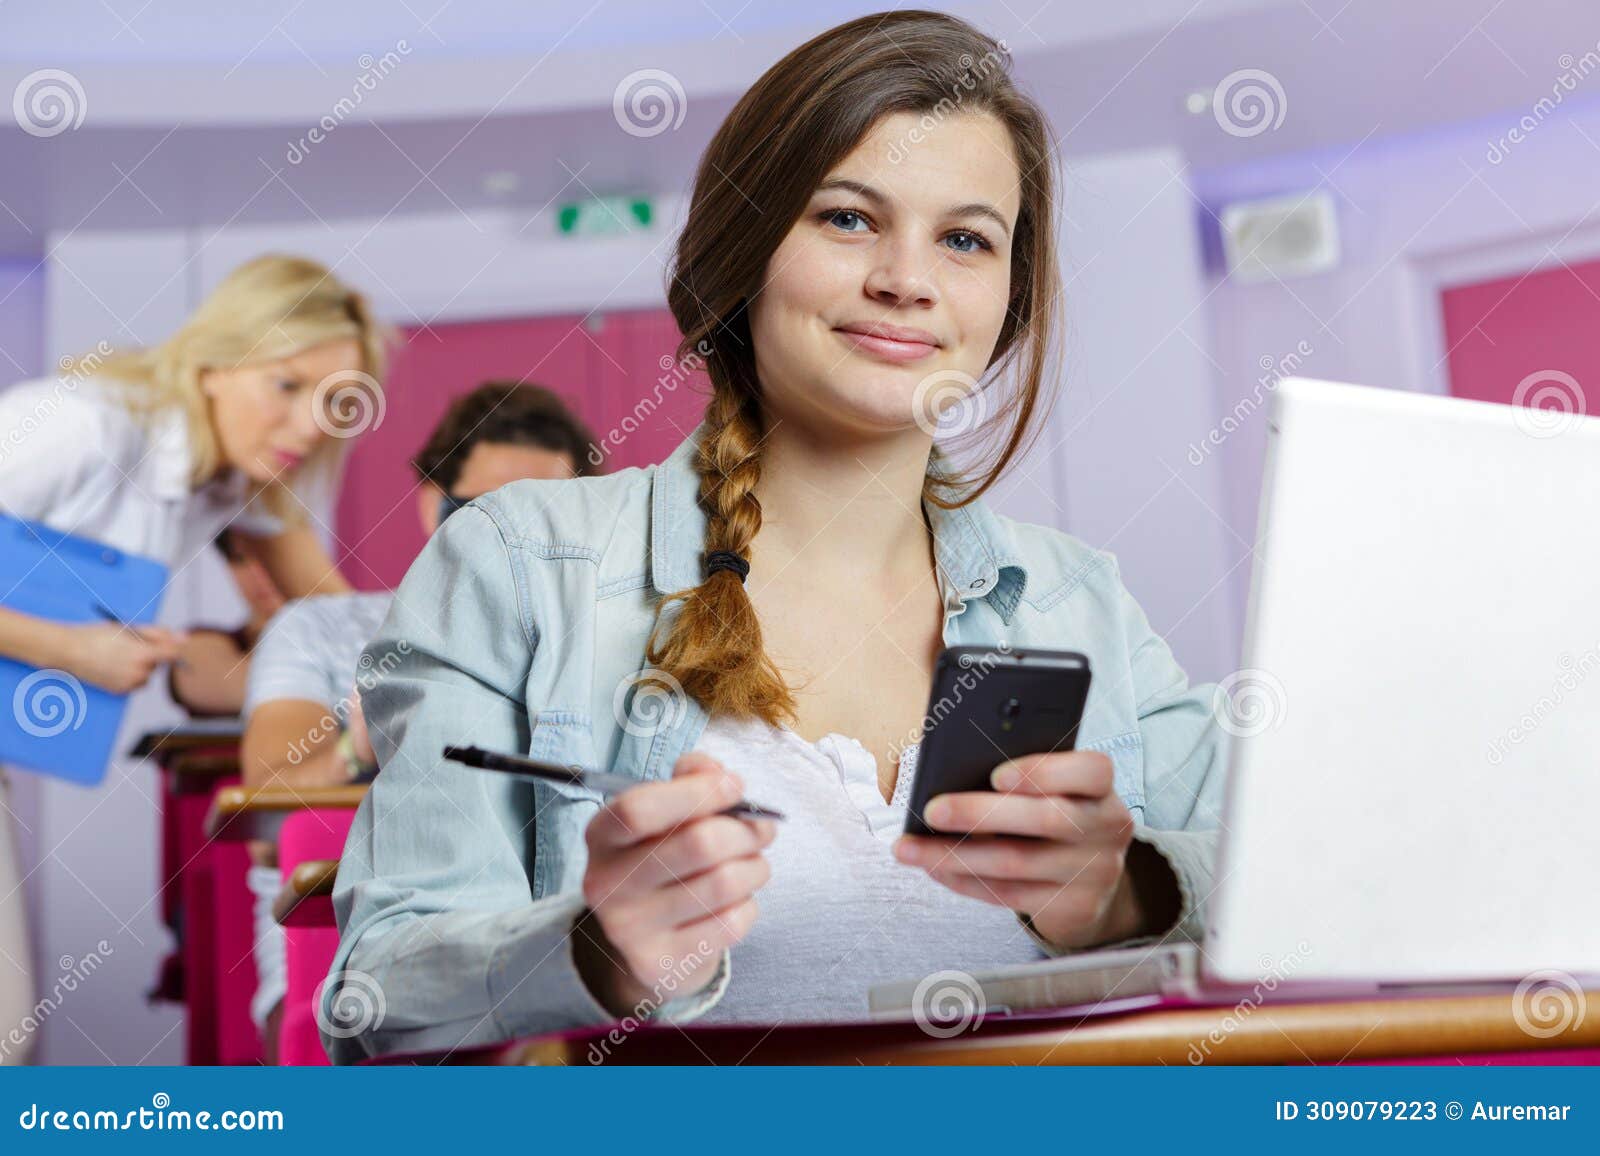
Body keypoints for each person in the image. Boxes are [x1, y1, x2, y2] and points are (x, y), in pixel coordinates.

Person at [323, 11, 1226, 1063]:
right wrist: (599, 953)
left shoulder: (1079, 597)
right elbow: (374, 999)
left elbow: (1301, 882)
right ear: (743, 252)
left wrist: (1126, 894)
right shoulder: (517, 563)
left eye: (966, 238)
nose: (906, 277)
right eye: (848, 219)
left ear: (1008, 299)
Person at [0, 253, 387, 1063]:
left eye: (329, 400)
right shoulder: (86, 422)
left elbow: (351, 624)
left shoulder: (234, 481)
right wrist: (77, 650)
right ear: (216, 361)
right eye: (285, 385)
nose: (311, 422)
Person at [239, 383, 597, 1061]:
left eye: (546, 518)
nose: (509, 542)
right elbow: (257, 810)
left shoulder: (597, 647)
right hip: (346, 947)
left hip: (553, 940)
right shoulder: (322, 628)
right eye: (484, 512)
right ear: (433, 502)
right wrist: (359, 747)